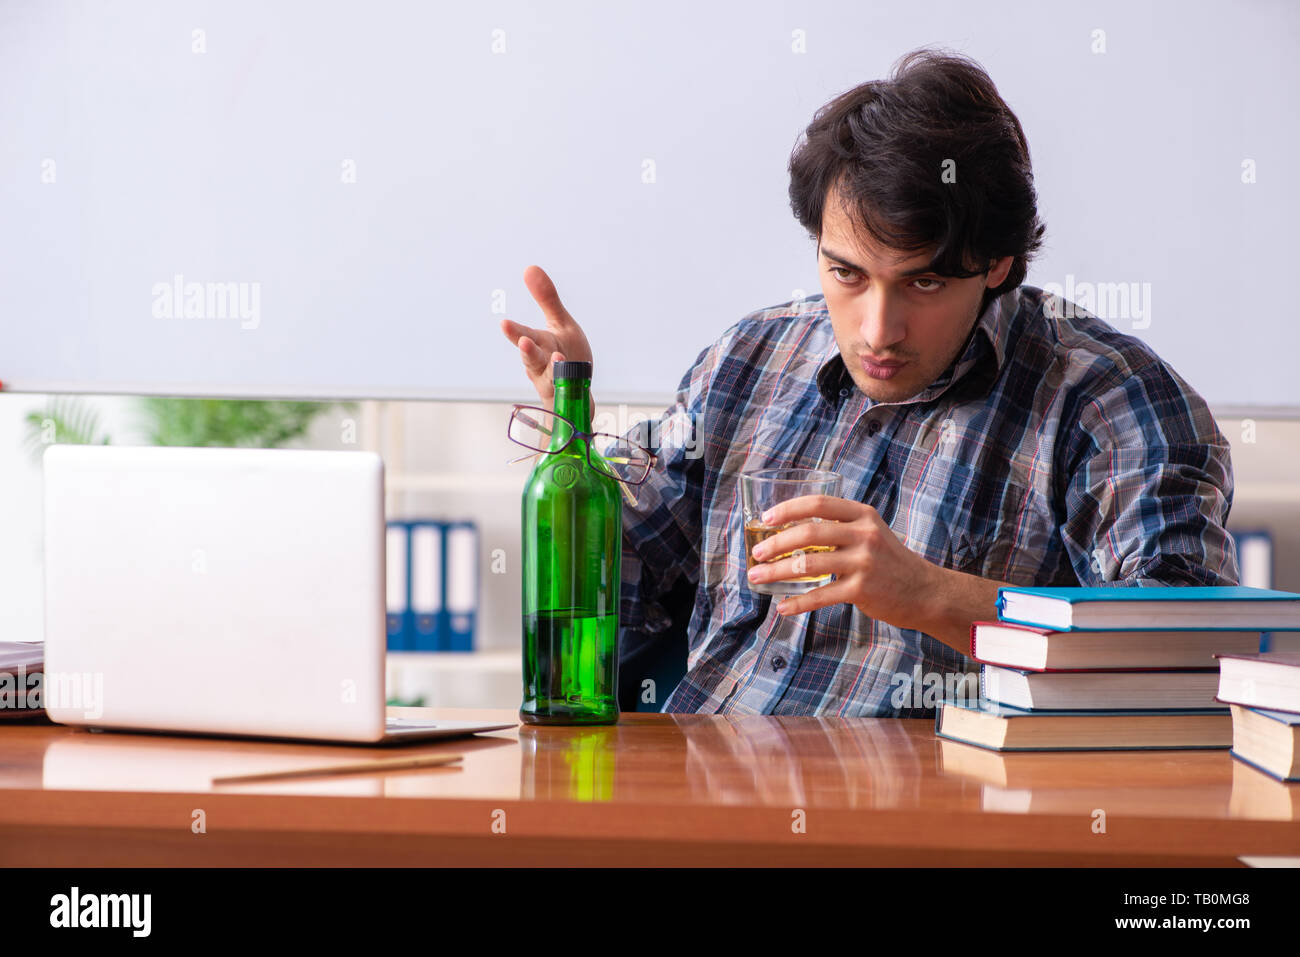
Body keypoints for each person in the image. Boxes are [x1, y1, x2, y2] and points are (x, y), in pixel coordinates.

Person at [499, 48, 1239, 717]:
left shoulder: (1110, 402)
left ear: (998, 265)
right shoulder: (748, 360)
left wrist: (933, 595)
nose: (877, 329)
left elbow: (1186, 652)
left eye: (924, 281)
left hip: (929, 824)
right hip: (698, 796)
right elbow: (620, 579)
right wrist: (573, 427)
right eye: (846, 273)